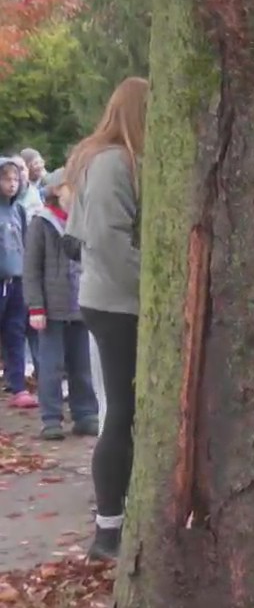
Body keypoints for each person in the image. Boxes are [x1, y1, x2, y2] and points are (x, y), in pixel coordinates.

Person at [66, 77, 147, 560]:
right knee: (120, 412)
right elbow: (111, 241)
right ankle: (108, 528)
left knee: (126, 411)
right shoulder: (114, 162)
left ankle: (117, 519)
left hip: (112, 298)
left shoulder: (104, 160)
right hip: (118, 302)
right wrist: (157, 288)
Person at [24, 169, 99, 440]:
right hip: (51, 310)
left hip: (80, 307)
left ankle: (85, 413)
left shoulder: (82, 223)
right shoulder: (41, 223)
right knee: (51, 365)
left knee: (82, 365)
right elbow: (31, 269)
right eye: (72, 187)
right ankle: (51, 417)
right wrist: (36, 307)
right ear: (57, 190)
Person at [0, 156, 33, 408]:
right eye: (5, 178)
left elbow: (24, 243)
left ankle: (18, 385)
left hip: (17, 282)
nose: (11, 184)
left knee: (16, 331)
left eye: (15, 179)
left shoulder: (18, 210)